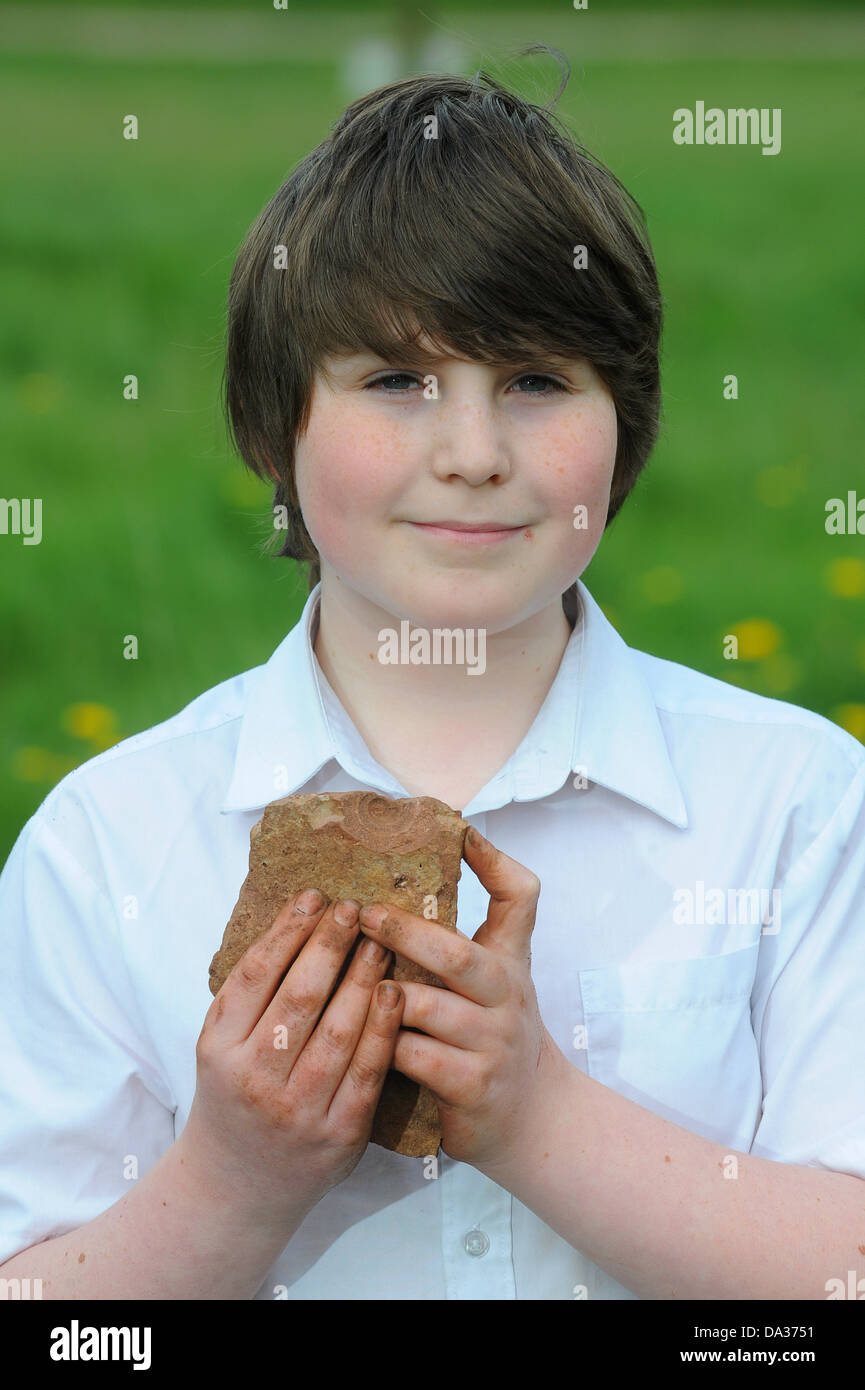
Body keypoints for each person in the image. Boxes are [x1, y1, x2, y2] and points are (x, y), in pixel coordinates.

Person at [1, 59, 864, 1302]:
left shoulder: (796, 805)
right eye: (397, 382)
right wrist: (229, 1183)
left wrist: (537, 1118)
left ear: (628, 420)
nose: (470, 454)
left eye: (536, 382)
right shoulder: (105, 848)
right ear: (270, 428)